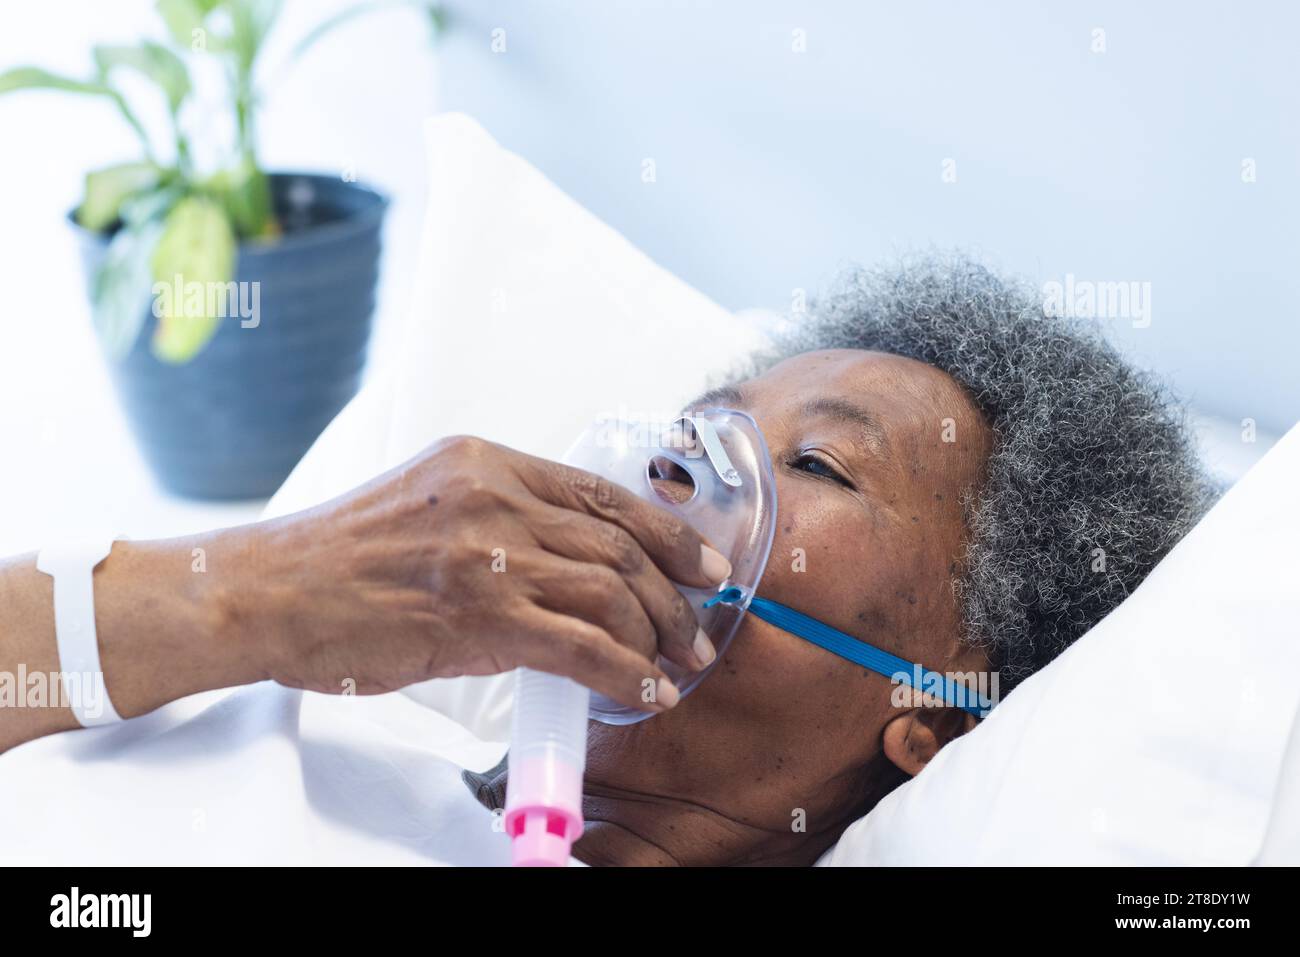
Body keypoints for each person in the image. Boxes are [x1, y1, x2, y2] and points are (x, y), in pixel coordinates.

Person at [0, 256, 1216, 865]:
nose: (684, 470)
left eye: (823, 467)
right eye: (695, 429)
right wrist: (257, 595)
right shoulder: (305, 724)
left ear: (936, 714)